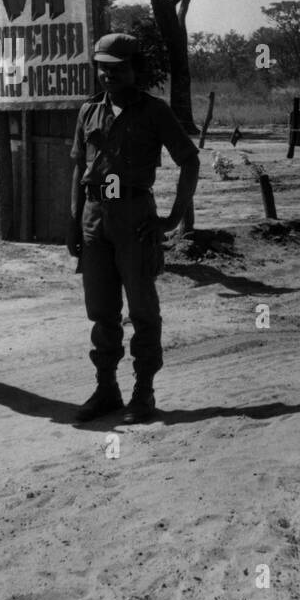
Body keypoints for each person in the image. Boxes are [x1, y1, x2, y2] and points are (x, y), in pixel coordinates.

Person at [67, 34, 200, 424]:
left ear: (135, 69)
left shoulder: (154, 111)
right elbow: (78, 168)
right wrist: (71, 222)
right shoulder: (88, 111)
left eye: (118, 67)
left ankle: (144, 392)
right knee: (101, 310)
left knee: (143, 310)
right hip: (95, 217)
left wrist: (174, 219)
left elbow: (189, 161)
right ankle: (106, 388)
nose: (109, 74)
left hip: (134, 216)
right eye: (103, 67)